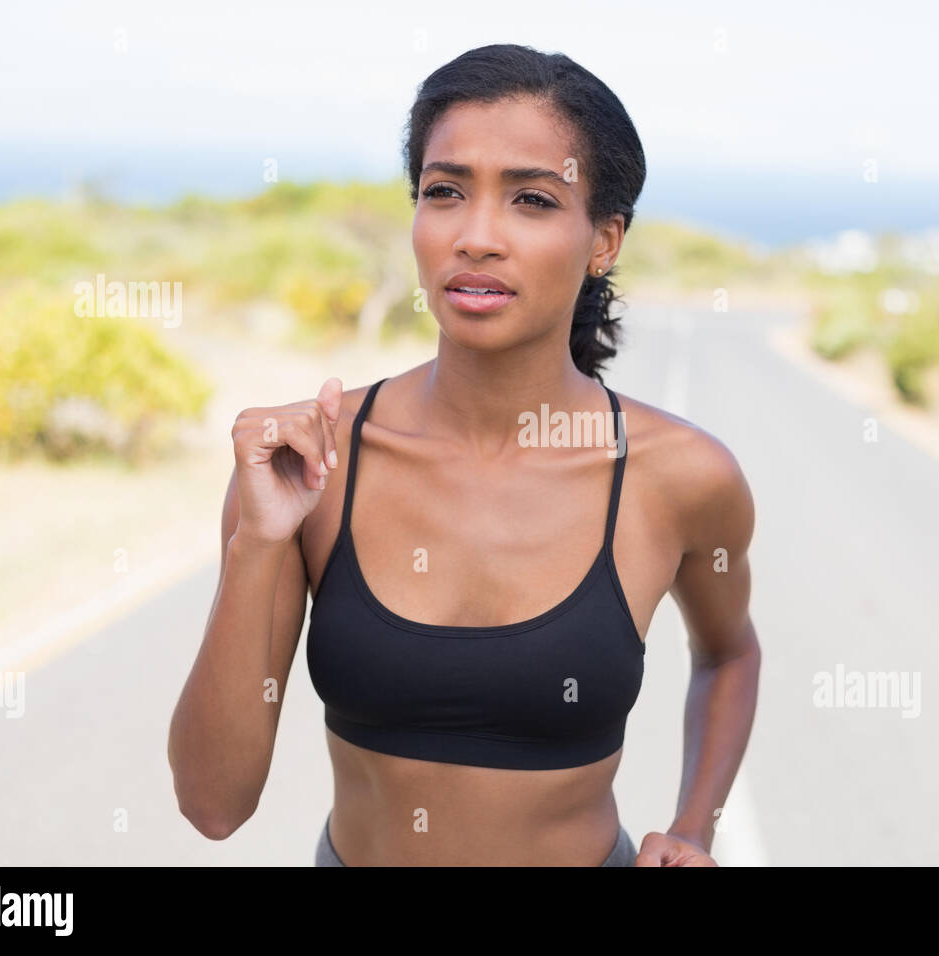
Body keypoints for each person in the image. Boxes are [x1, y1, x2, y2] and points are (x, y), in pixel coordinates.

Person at [168, 43, 759, 867]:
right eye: (445, 191)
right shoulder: (312, 467)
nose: (476, 236)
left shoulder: (683, 476)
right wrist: (258, 541)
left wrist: (695, 826)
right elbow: (212, 805)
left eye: (532, 199)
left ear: (604, 239)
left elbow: (730, 652)